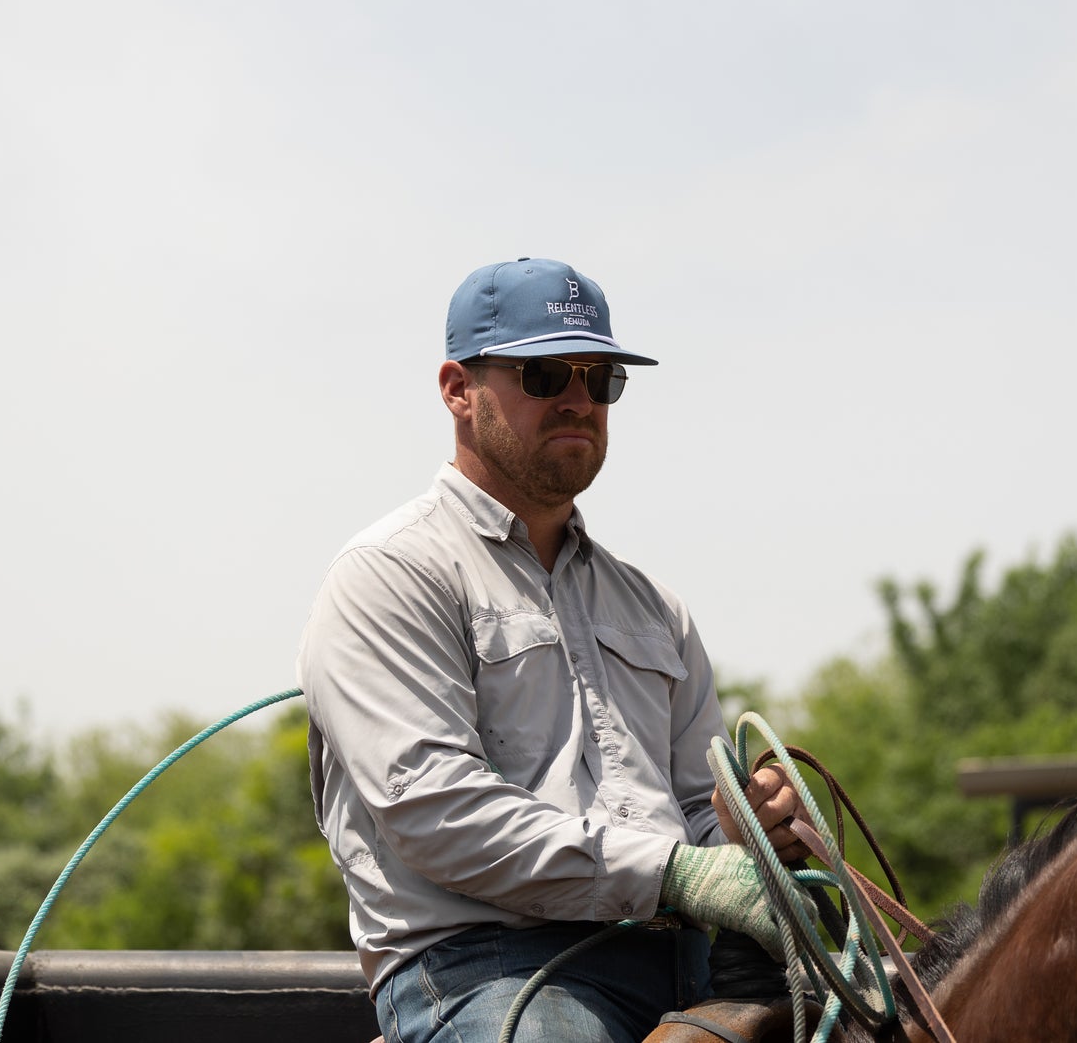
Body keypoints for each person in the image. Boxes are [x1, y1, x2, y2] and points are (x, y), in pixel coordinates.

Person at [297, 258, 805, 1043]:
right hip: (489, 969)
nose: (579, 398)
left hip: (691, 967)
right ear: (457, 389)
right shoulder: (391, 574)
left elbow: (698, 816)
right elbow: (437, 812)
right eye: (544, 373)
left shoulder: (654, 608)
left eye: (601, 379)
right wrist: (679, 874)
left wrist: (751, 832)